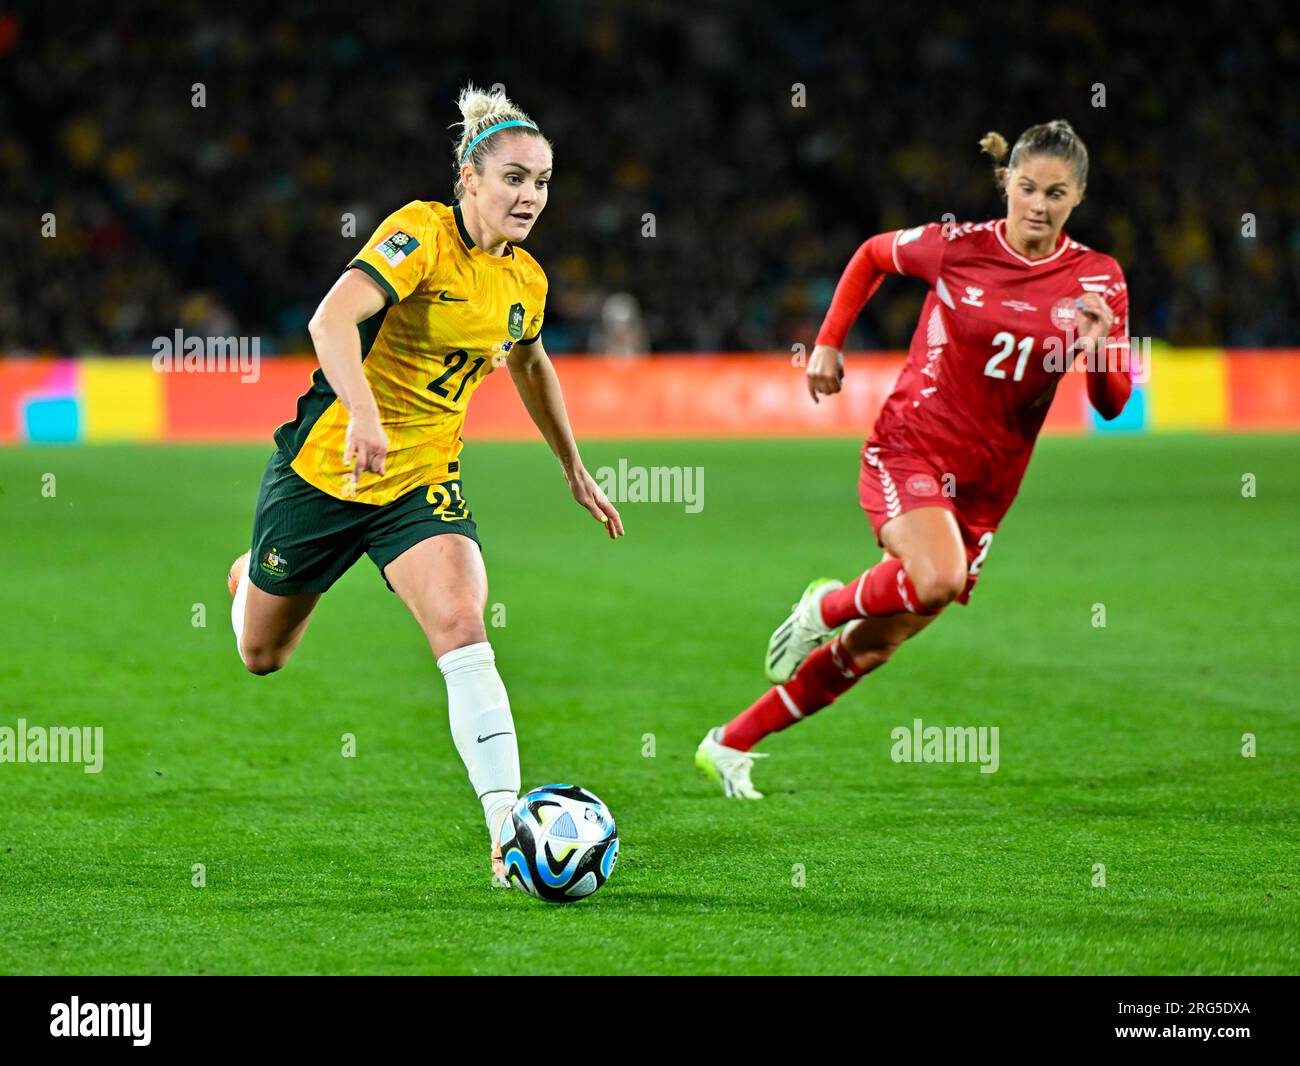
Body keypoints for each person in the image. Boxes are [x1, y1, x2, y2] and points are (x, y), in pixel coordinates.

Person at [226, 85, 624, 880]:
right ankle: (245, 578)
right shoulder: (420, 234)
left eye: (543, 182)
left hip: (421, 482)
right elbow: (330, 321)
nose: (531, 196)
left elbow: (532, 363)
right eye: (514, 178)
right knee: (261, 654)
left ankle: (505, 830)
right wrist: (365, 415)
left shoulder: (526, 282)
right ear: (469, 179)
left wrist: (572, 465)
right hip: (327, 473)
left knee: (462, 625)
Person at [697, 120, 1131, 797]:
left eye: (1056, 193)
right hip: (912, 447)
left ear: (1078, 197)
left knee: (874, 646)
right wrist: (828, 343)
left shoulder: (1098, 280)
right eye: (1026, 188)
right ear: (1006, 184)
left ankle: (729, 743)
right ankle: (824, 604)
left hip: (988, 490)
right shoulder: (959, 247)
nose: (1038, 206)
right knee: (932, 579)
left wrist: (1103, 346)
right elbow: (872, 253)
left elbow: (1111, 404)